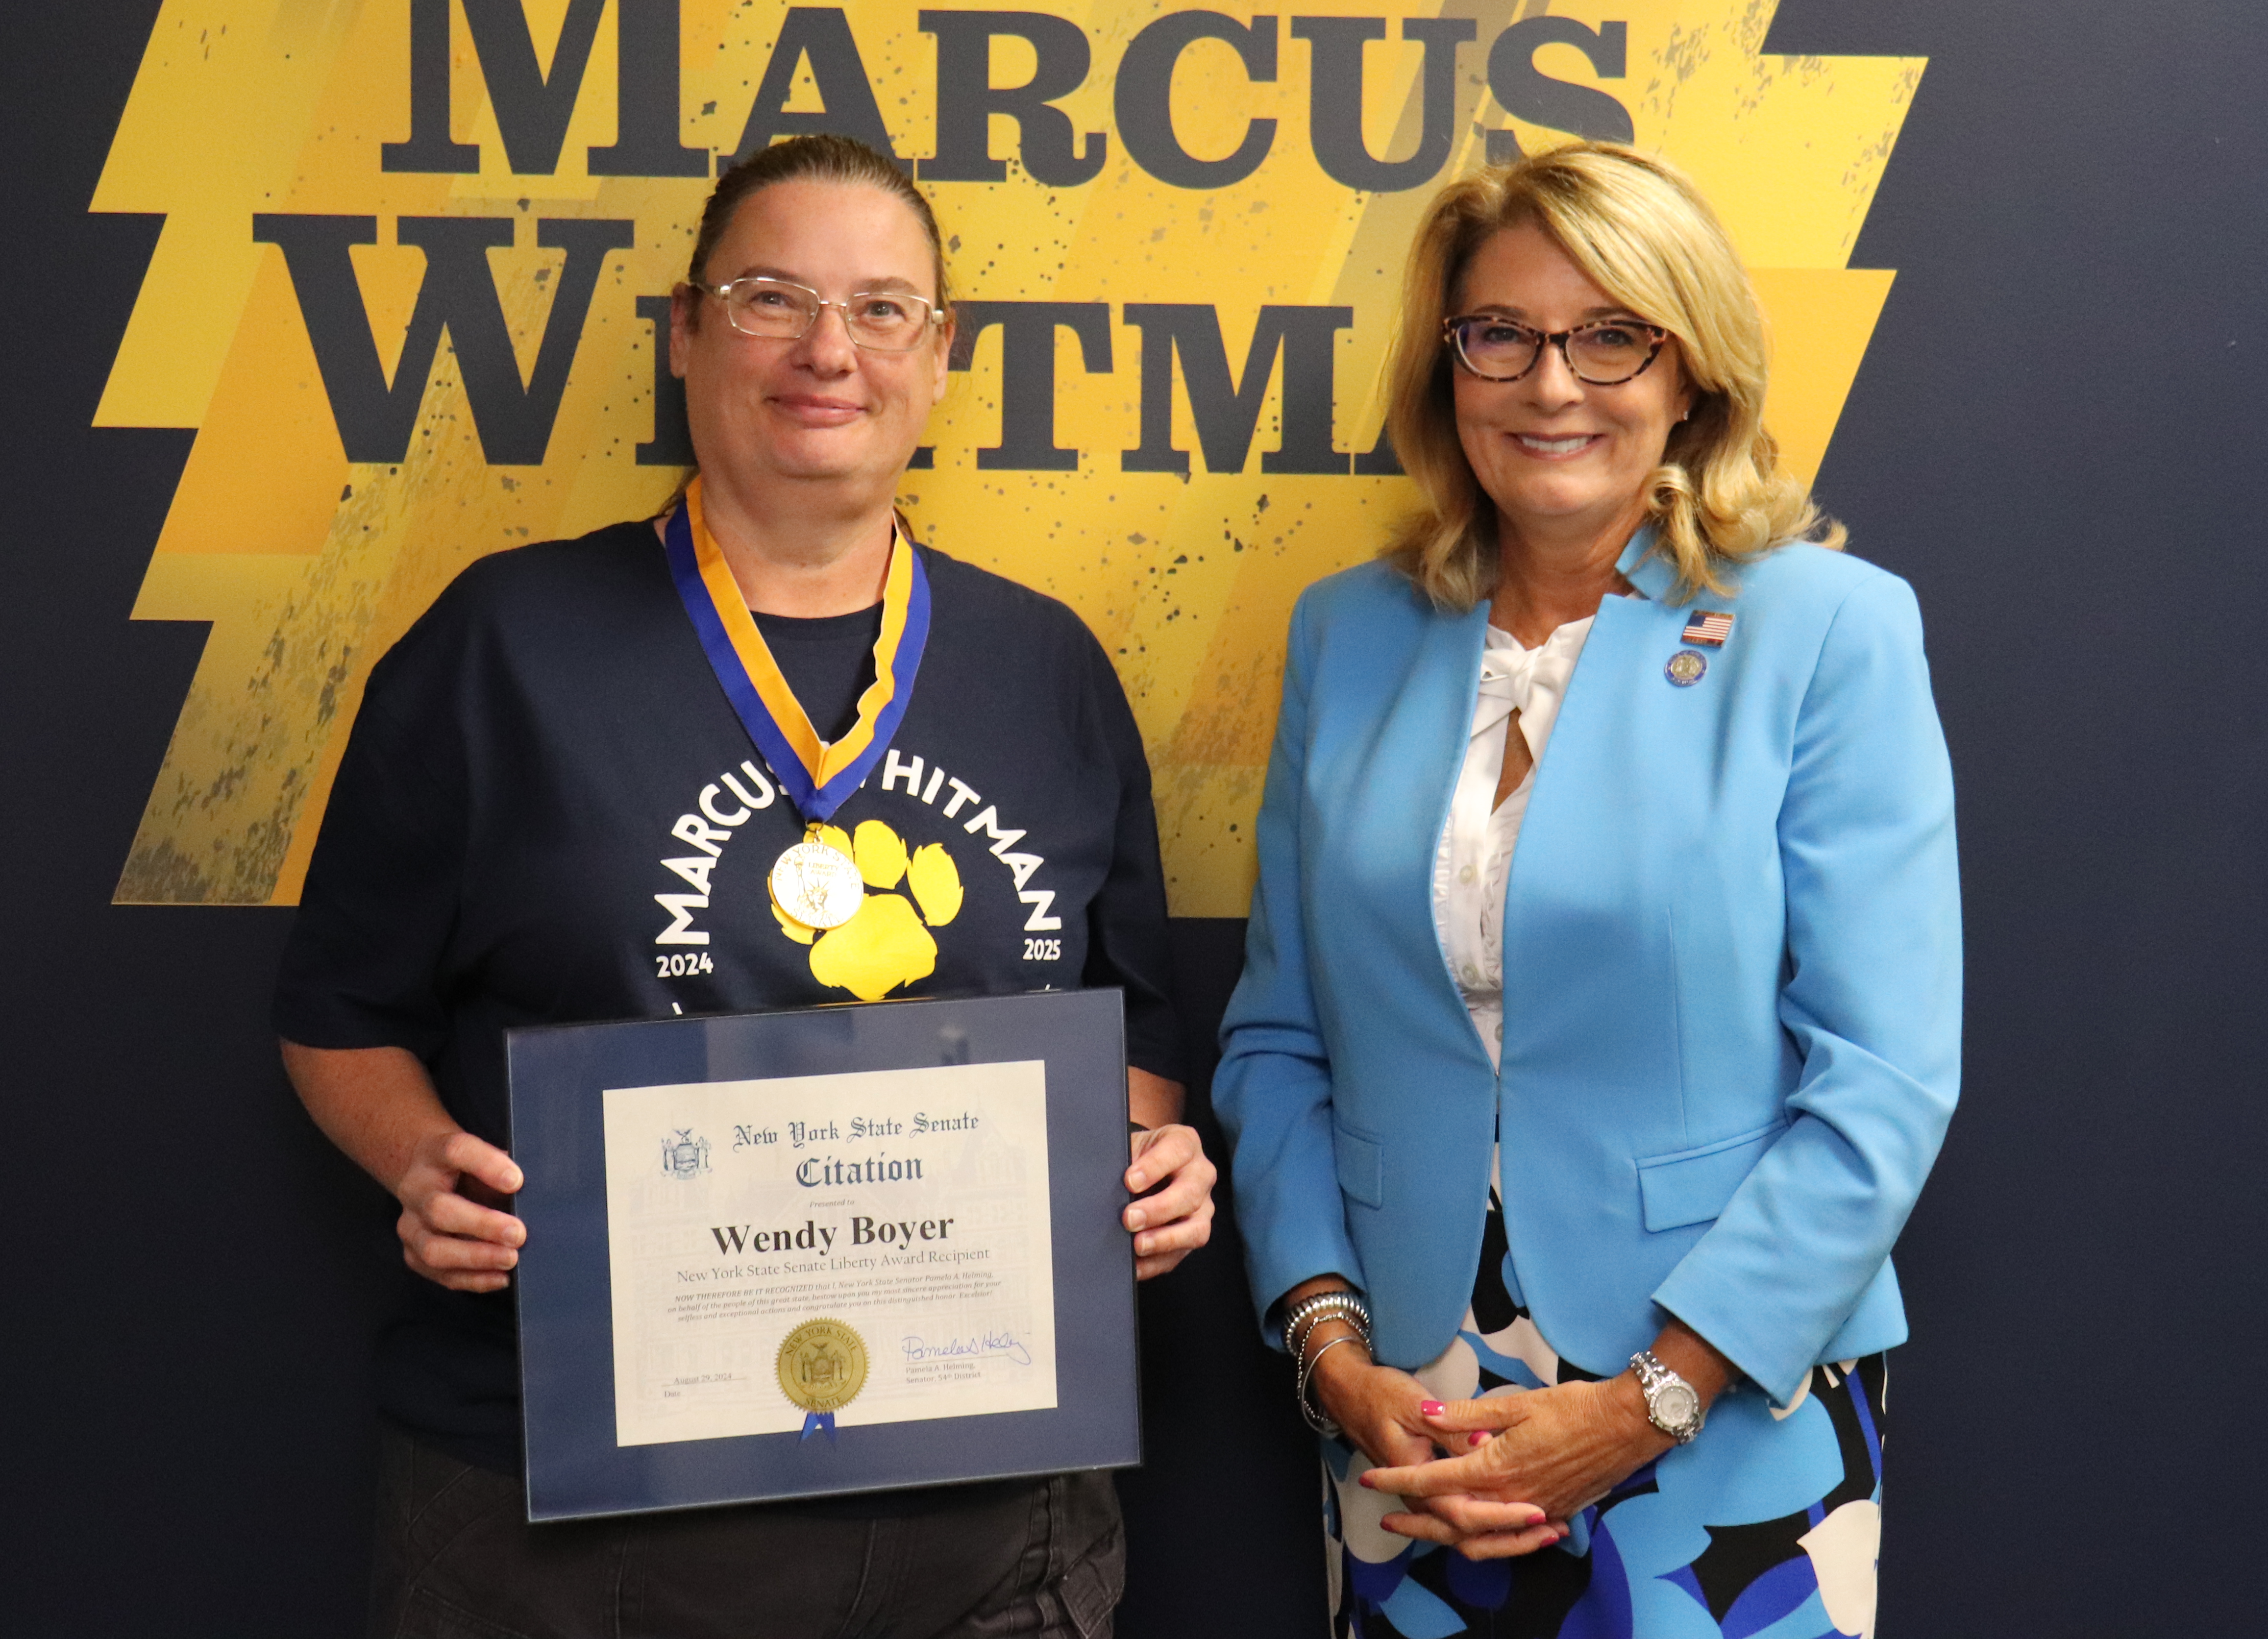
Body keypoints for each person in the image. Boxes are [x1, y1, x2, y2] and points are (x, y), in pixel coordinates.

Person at [275, 133, 1215, 1639]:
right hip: (564, 1500)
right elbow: (338, 1015)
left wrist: (1149, 1167)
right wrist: (420, 1165)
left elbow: (1133, 1037)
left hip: (979, 1511)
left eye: (883, 308)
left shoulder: (1046, 669)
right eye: (771, 297)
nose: (828, 350)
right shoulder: (502, 647)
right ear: (684, 331)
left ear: (943, 352)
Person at [1213, 142, 1958, 1639]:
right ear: (1448, 369)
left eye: (1613, 334)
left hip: (1727, 1388)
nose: (1553, 384)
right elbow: (1278, 1040)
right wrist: (1332, 1350)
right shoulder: (1348, 635)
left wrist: (1650, 1399)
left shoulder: (1829, 630)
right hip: (1410, 1419)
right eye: (1502, 334)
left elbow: (1885, 1079)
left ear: (1691, 373)